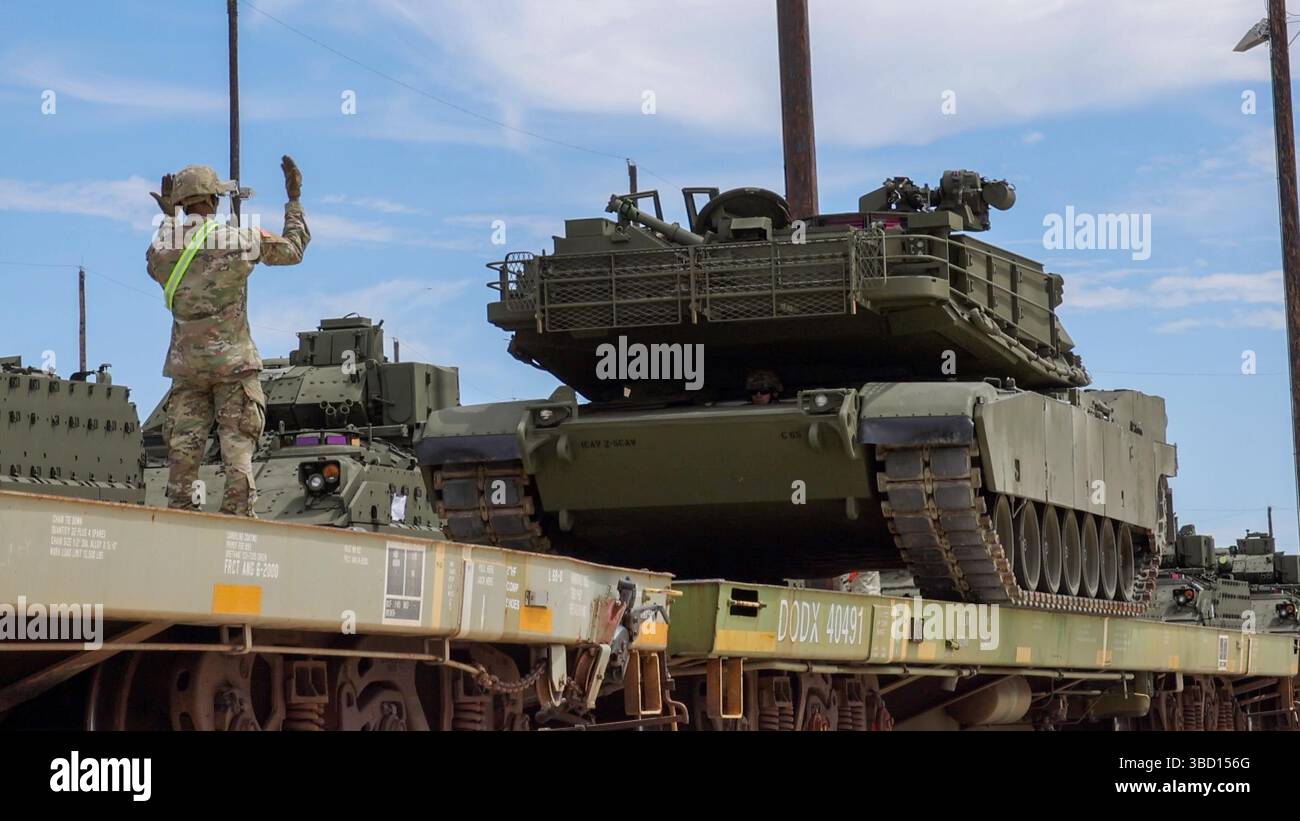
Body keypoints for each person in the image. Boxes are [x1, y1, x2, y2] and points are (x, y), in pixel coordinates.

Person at [146, 156, 310, 516]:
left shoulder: (162, 249)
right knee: (237, 449)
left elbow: (156, 260)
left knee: (182, 456)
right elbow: (293, 250)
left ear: (181, 201)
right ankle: (236, 520)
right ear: (214, 201)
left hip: (187, 370)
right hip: (233, 367)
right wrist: (293, 199)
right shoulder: (239, 240)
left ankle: (180, 520)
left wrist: (171, 219)